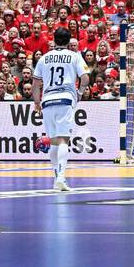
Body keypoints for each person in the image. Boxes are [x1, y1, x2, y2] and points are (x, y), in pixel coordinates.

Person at [31, 27, 90, 191]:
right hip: (65, 98)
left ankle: (56, 178)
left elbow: (36, 83)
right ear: (69, 40)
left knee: (54, 141)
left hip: (48, 100)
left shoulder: (44, 58)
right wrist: (79, 94)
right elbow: (85, 77)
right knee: (63, 139)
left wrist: (37, 102)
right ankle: (62, 179)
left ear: (54, 39)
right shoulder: (74, 56)